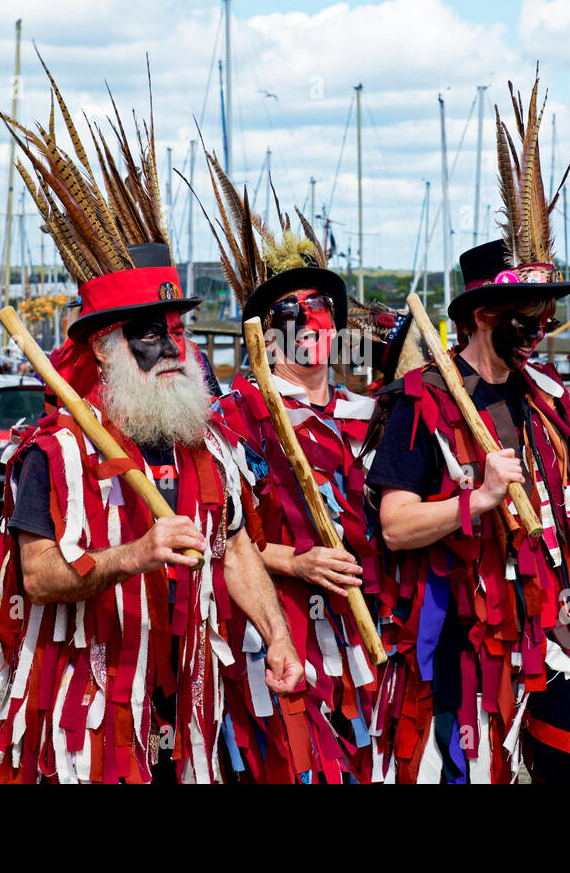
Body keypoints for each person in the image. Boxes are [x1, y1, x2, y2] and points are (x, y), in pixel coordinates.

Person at [0, 62, 302, 783]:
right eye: (146, 333)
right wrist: (133, 554)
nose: (169, 347)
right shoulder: (53, 454)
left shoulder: (206, 443)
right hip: (84, 717)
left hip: (187, 714)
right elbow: (37, 577)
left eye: (175, 329)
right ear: (103, 347)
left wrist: (276, 632)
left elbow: (237, 548)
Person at [364, 79, 570, 783]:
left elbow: (563, 505)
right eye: (526, 318)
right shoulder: (421, 400)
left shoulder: (547, 399)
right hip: (462, 636)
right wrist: (476, 501)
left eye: (547, 317)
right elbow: (393, 525)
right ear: (481, 316)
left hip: (555, 627)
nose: (541, 332)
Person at [206, 158, 383, 782]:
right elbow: (223, 540)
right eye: (289, 309)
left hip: (369, 637)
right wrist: (297, 562)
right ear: (264, 333)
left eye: (319, 304)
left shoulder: (374, 415)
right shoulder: (235, 417)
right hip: (275, 632)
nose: (309, 319)